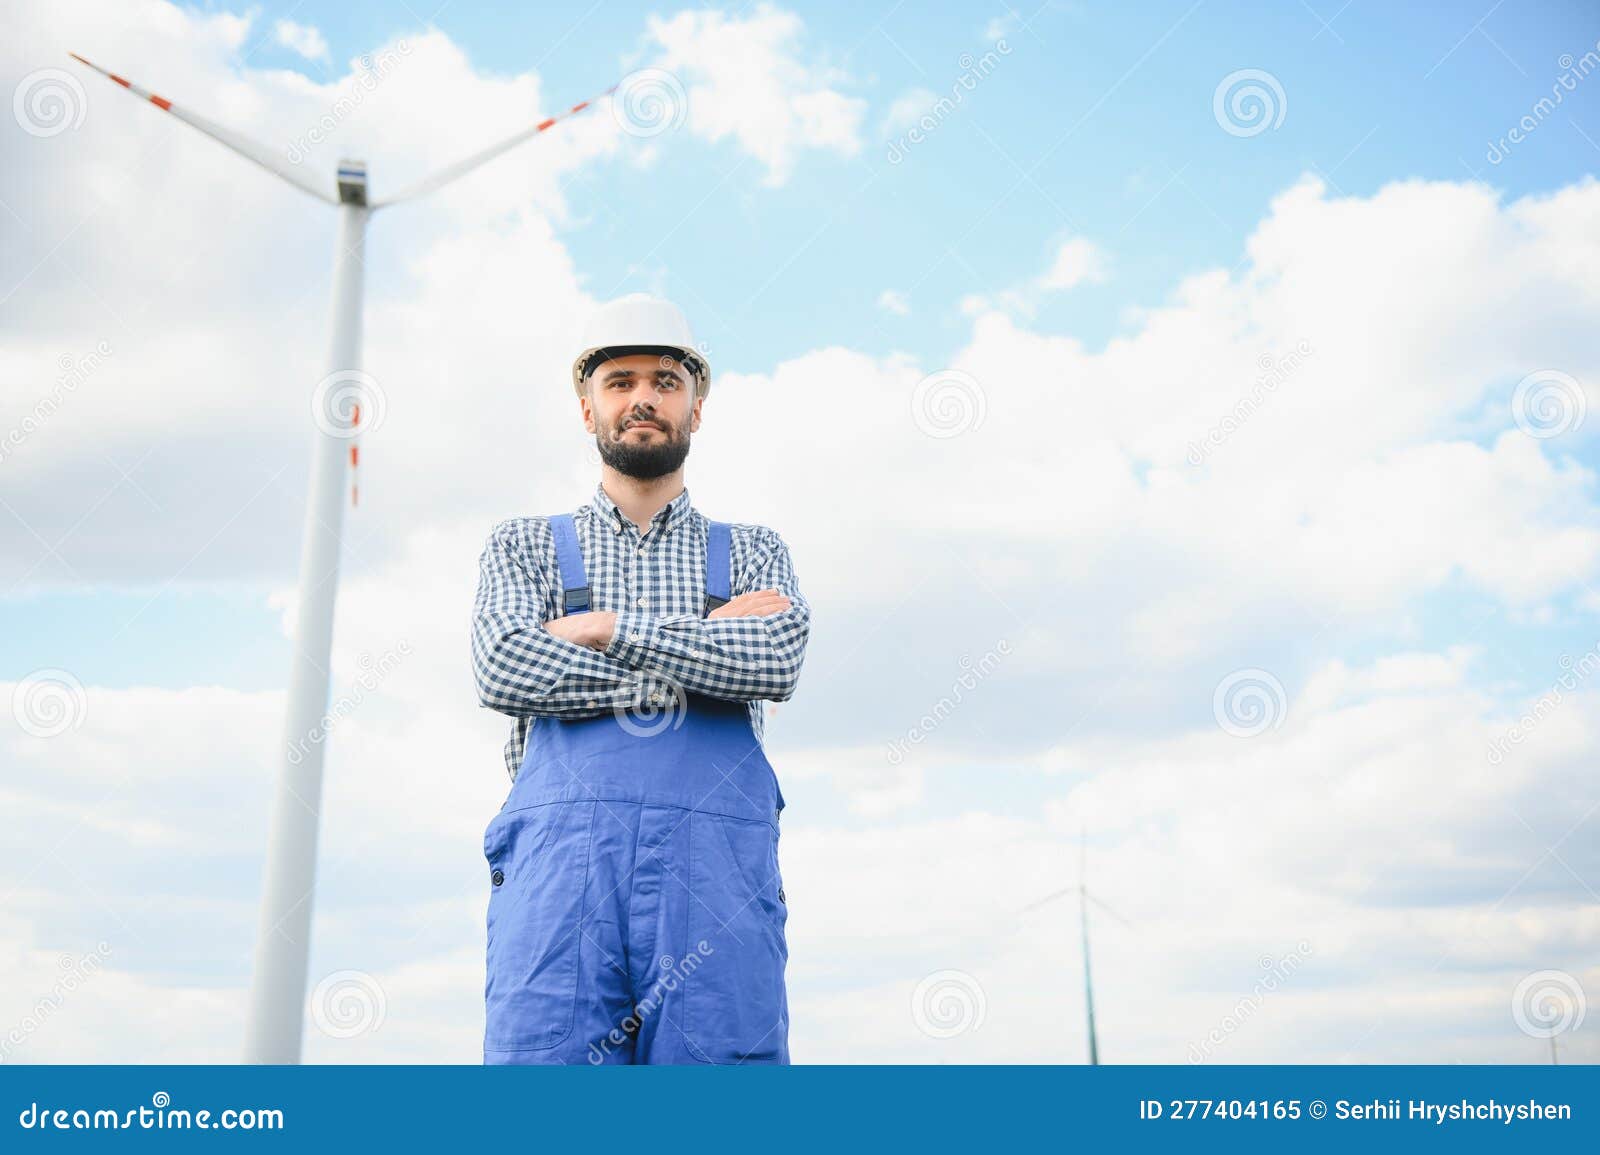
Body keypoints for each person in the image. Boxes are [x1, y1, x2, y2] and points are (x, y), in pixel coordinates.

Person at [470, 293, 811, 1064]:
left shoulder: (755, 552)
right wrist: (699, 655)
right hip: (560, 898)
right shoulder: (523, 547)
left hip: (715, 896)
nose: (644, 398)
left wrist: (605, 628)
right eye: (620, 381)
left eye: (665, 379)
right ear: (587, 408)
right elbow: (504, 667)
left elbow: (775, 661)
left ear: (698, 404)